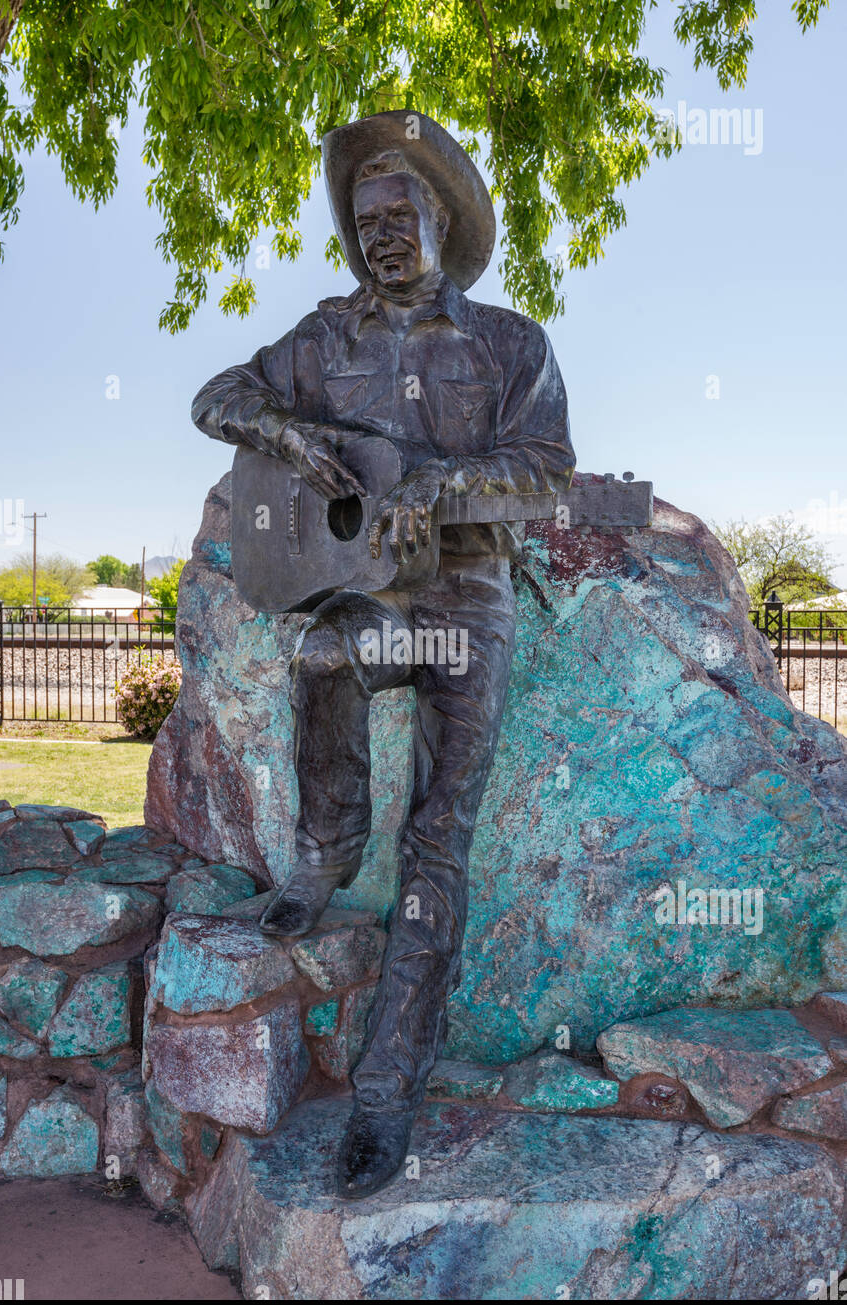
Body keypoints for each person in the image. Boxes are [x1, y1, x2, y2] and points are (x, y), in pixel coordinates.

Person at [191, 110, 575, 1198]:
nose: (380, 237)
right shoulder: (323, 338)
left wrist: (443, 483)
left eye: (399, 214)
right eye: (364, 221)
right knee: (323, 657)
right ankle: (325, 846)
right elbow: (216, 396)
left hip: (469, 594)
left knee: (438, 847)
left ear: (442, 219)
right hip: (374, 598)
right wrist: (286, 433)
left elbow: (547, 472)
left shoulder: (510, 344)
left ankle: (385, 1095)